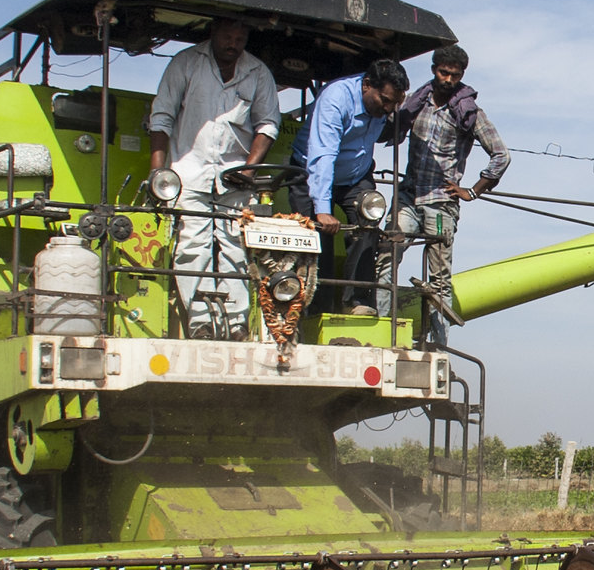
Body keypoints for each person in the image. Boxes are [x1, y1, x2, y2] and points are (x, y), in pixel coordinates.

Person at [148, 17, 281, 339]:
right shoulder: (186, 64)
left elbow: (268, 124)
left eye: (239, 37)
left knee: (235, 247)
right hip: (189, 172)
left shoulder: (258, 72)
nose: (232, 43)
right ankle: (201, 325)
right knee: (192, 246)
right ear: (213, 34)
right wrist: (158, 171)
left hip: (235, 177)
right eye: (227, 36)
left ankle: (235, 326)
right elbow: (161, 116)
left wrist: (248, 169)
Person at [375, 44, 511, 342]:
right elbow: (386, 125)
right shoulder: (415, 103)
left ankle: (438, 347)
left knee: (439, 282)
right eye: (443, 72)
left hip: (441, 205)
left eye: (455, 75)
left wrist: (473, 191)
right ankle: (382, 332)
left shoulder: (468, 112)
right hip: (408, 197)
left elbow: (501, 155)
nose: (448, 79)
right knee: (387, 256)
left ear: (462, 76)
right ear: (434, 69)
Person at [287, 58, 409, 315]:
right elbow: (323, 156)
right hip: (310, 171)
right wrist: (322, 208)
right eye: (384, 101)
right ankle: (316, 307)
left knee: (369, 222)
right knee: (317, 233)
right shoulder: (336, 99)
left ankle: (358, 301)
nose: (388, 109)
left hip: (355, 173)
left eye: (394, 104)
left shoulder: (386, 106)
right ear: (366, 85)